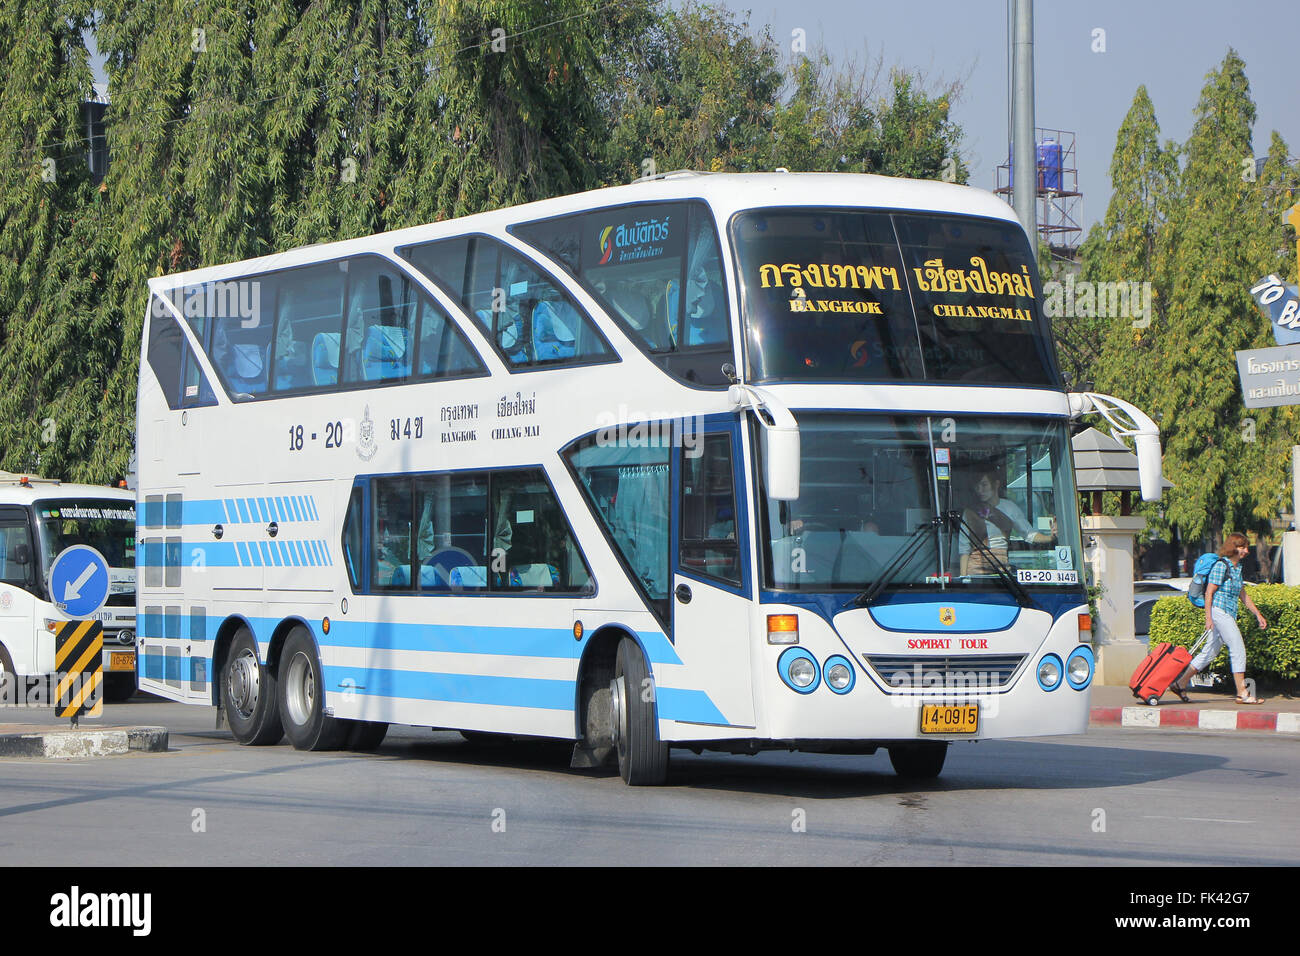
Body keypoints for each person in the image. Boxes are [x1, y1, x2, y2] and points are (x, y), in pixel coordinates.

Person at [1171, 533, 1268, 704]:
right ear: (1233, 547)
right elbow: (1209, 593)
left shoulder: (1237, 568)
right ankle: (1242, 693)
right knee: (1238, 648)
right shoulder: (1221, 566)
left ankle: (1180, 683)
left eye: (1246, 547)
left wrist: (1258, 614)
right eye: (1242, 547)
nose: (1246, 550)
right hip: (1219, 611)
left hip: (1228, 613)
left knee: (1210, 652)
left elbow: (1242, 594)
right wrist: (1208, 618)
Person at [959, 468, 1055, 575]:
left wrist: (1051, 537)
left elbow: (1029, 534)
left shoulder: (1010, 508)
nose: (980, 490)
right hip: (976, 569)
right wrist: (963, 578)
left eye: (984, 485)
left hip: (1002, 570)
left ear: (996, 484)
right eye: (977, 486)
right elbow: (964, 550)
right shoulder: (970, 512)